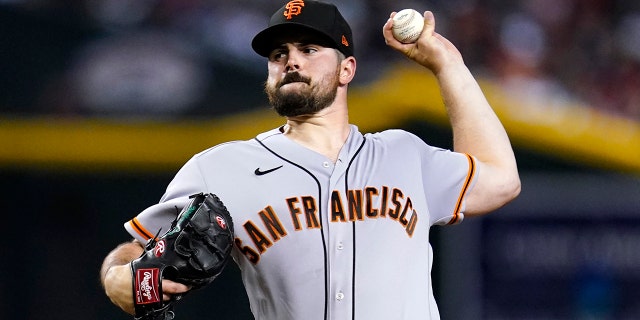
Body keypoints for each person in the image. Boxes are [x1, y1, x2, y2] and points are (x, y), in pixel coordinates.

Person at [100, 0, 521, 319]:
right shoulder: (220, 168)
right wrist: (118, 278)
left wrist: (448, 65)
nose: (291, 60)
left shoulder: (404, 154)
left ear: (347, 70)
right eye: (278, 54)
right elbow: (132, 252)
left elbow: (501, 179)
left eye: (308, 48)